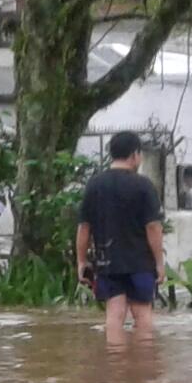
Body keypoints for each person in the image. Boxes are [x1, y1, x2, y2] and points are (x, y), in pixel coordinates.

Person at [75, 130, 167, 349]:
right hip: (140, 263)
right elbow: (153, 227)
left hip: (107, 262)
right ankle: (143, 365)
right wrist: (159, 263)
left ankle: (115, 363)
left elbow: (84, 227)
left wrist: (81, 261)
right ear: (135, 154)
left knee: (114, 314)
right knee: (142, 314)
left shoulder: (94, 185)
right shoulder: (144, 186)